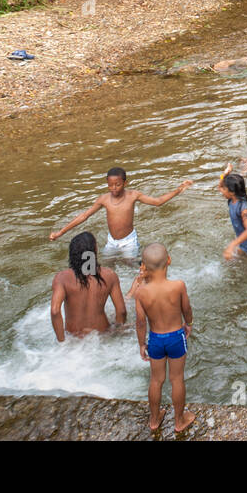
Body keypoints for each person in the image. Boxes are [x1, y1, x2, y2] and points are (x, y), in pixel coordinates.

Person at [50, 168, 193, 257]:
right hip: (111, 242)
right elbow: (84, 216)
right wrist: (60, 233)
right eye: (110, 185)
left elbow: (158, 202)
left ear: (125, 183)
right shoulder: (104, 199)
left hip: (129, 241)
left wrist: (178, 189)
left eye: (117, 185)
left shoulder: (133, 195)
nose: (114, 188)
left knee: (132, 268)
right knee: (104, 267)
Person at [133, 242, 195, 434]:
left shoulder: (140, 292)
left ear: (144, 265)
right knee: (177, 379)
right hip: (176, 337)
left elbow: (140, 322)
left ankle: (154, 419)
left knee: (156, 380)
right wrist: (189, 324)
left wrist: (142, 344)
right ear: (168, 260)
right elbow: (186, 309)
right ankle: (179, 421)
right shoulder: (178, 286)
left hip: (156, 339)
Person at [50, 232, 126, 341]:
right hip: (102, 335)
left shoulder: (62, 278)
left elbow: (55, 311)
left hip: (74, 338)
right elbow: (121, 311)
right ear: (95, 251)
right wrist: (117, 332)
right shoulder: (109, 275)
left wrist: (62, 342)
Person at [218, 171, 247, 262]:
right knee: (230, 261)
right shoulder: (231, 200)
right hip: (244, 242)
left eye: (224, 189)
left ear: (231, 192)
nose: (221, 190)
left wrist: (232, 245)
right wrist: (224, 174)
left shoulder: (244, 209)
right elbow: (219, 186)